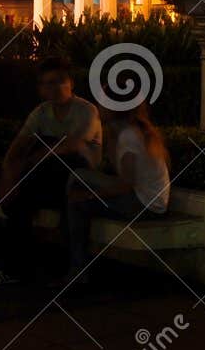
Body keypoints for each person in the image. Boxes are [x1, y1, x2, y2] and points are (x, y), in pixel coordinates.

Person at [0, 57, 102, 286]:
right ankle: (17, 267)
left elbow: (73, 146)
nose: (53, 88)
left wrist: (29, 164)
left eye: (58, 82)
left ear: (70, 83)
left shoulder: (86, 111)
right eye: (46, 83)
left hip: (76, 182)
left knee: (42, 164)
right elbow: (17, 148)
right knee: (18, 196)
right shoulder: (41, 113)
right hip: (44, 180)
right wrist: (7, 176)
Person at [57, 101, 171, 286]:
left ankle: (77, 269)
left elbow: (124, 186)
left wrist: (89, 196)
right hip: (143, 198)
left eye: (103, 102)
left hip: (144, 205)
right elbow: (121, 175)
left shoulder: (129, 135)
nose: (98, 107)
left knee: (78, 203)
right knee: (77, 177)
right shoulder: (126, 131)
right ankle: (68, 250)